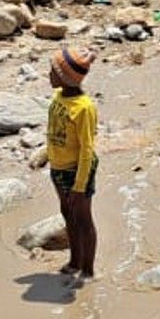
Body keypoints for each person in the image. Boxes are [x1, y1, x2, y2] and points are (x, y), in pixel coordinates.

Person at [45, 43, 98, 278]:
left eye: (54, 71)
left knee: (83, 219)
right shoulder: (58, 96)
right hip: (58, 167)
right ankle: (74, 261)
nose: (49, 74)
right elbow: (54, 131)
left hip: (77, 170)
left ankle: (87, 270)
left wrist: (79, 186)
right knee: (67, 215)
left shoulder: (84, 108)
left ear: (66, 77)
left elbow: (87, 149)